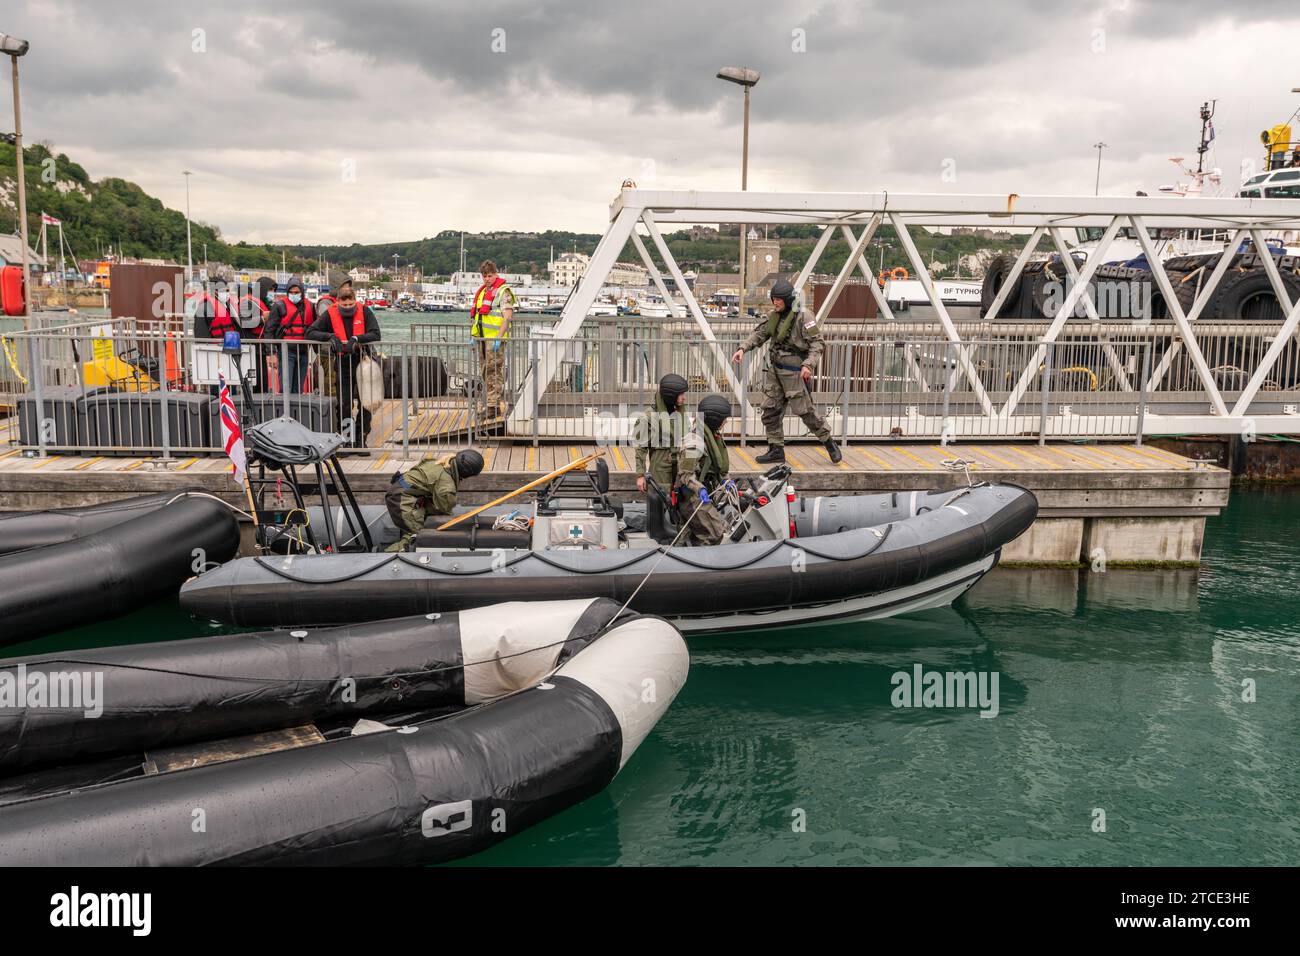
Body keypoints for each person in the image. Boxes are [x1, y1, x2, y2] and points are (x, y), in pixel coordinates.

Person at [731, 277, 842, 464]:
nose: (775, 303)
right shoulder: (773, 316)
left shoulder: (804, 317)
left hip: (794, 373)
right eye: (773, 299)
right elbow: (759, 334)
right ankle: (776, 449)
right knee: (769, 410)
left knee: (806, 412)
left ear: (788, 300)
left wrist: (808, 364)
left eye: (779, 300)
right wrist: (743, 348)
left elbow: (817, 343)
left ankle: (829, 442)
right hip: (775, 372)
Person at [305, 279, 381, 445]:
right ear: (338, 302)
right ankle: (346, 439)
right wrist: (330, 336)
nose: (348, 307)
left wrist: (357, 338)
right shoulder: (330, 314)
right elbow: (310, 332)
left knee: (365, 403)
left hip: (363, 362)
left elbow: (376, 334)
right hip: (342, 362)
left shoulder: (365, 311)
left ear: (355, 301)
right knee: (344, 404)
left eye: (350, 304)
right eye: (344, 305)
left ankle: (361, 439)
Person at [384, 448, 485, 552]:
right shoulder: (446, 486)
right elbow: (445, 511)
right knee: (417, 537)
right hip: (401, 499)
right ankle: (386, 556)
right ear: (466, 473)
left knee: (427, 520)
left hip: (404, 492)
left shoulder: (441, 462)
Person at [633, 373, 688, 542]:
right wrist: (640, 474)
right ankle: (658, 537)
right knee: (659, 500)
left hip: (679, 463)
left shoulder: (680, 413)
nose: (684, 398)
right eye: (681, 395)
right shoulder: (648, 417)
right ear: (672, 396)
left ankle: (680, 533)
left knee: (682, 500)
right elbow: (640, 447)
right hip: (660, 463)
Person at [673, 393, 732, 546]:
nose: (725, 422)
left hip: (701, 495)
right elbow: (686, 475)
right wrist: (700, 490)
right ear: (715, 419)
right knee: (715, 532)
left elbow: (718, 468)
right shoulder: (695, 442)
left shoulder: (712, 436)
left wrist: (727, 481)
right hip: (692, 498)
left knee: (699, 533)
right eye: (724, 419)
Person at [469, 260, 517, 415]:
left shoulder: (503, 292)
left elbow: (507, 317)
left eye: (490, 275)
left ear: (496, 274)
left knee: (494, 372)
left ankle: (492, 407)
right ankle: (491, 404)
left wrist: (499, 337)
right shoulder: (483, 292)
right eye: (484, 276)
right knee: (485, 372)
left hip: (494, 341)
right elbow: (478, 317)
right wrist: (473, 336)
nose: (487, 279)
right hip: (482, 340)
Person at [264, 276, 315, 393]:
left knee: (299, 389)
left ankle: (297, 411)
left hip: (303, 351)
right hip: (286, 351)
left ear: (302, 292)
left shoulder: (310, 306)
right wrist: (271, 353)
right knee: (286, 388)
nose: (294, 294)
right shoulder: (279, 306)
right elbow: (269, 331)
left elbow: (315, 328)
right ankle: (285, 411)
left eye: (296, 292)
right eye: (291, 292)